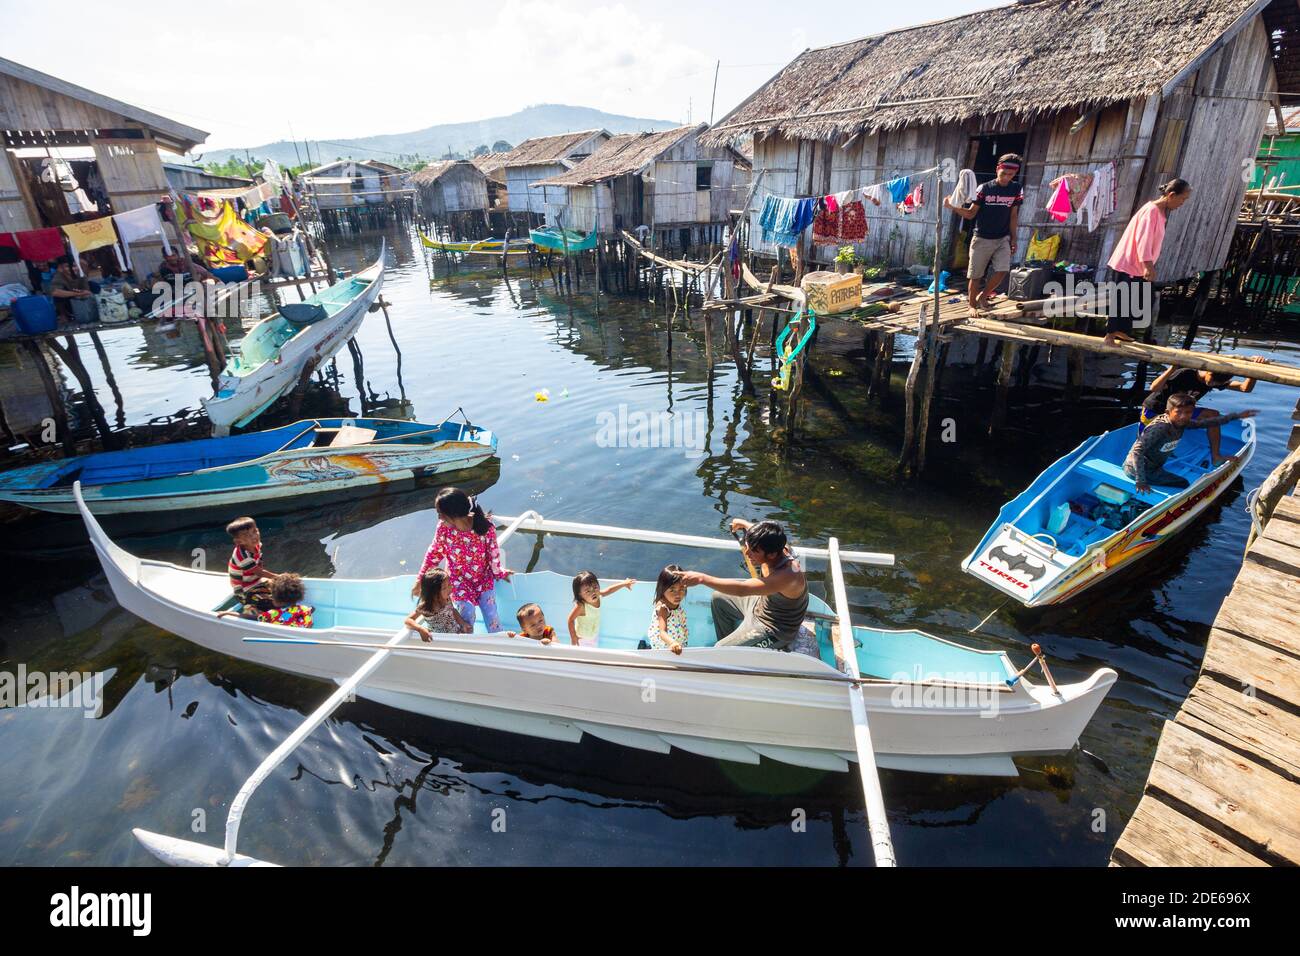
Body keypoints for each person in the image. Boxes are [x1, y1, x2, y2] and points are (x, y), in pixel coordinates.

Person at [680, 519, 808, 649]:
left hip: (774, 628)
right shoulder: (777, 544)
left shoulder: (788, 575)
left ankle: (729, 651)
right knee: (719, 598)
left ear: (772, 554)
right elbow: (763, 535)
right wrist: (744, 524)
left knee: (721, 649)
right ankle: (734, 648)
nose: (747, 553)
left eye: (753, 551)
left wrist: (702, 579)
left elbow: (742, 589)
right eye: (748, 546)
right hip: (760, 604)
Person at [1103, 178, 1191, 347]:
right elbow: (1143, 240)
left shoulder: (1159, 212)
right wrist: (1148, 266)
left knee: (1144, 299)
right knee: (1124, 298)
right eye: (1182, 199)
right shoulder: (1152, 211)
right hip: (1130, 262)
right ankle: (1109, 336)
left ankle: (1121, 330)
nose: (1182, 203)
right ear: (1171, 195)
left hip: (1137, 264)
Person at [1141, 356, 1271, 464]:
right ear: (1208, 371)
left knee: (1212, 415)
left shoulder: (1218, 379)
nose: (1213, 384)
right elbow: (1154, 388)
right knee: (1147, 448)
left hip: (1177, 414)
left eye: (1217, 383)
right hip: (1154, 412)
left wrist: (1254, 371)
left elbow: (1244, 388)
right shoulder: (1185, 373)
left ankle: (1216, 456)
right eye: (1212, 380)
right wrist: (1173, 367)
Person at [416, 488, 512, 633]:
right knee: (467, 616)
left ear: (454, 514)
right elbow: (434, 553)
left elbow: (493, 554)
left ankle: (499, 643)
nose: (439, 518)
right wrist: (420, 580)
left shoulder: (485, 526)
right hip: (458, 580)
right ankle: (467, 643)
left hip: (483, 578)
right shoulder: (444, 529)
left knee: (491, 615)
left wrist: (499, 573)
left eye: (440, 514)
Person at [1123, 393, 1258, 494]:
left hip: (1152, 466)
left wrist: (1236, 416)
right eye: (1178, 412)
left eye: (1188, 413)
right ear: (1167, 412)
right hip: (1137, 470)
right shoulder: (1160, 428)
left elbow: (1206, 423)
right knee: (1184, 483)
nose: (1183, 416)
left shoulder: (1182, 423)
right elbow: (1137, 451)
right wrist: (1141, 481)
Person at [943, 154, 1024, 315]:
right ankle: (971, 305)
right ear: (997, 170)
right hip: (982, 238)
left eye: (1011, 174)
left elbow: (1013, 215)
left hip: (1002, 238)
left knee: (1002, 270)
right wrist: (952, 207)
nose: (1007, 177)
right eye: (1004, 174)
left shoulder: (1016, 189)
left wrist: (1014, 238)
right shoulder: (984, 189)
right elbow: (971, 214)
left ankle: (983, 296)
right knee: (976, 274)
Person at [567, 571, 635, 647]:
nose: (593, 592)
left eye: (595, 587)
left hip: (594, 636)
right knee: (584, 656)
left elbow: (609, 590)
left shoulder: (599, 596)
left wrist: (624, 584)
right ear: (580, 594)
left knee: (593, 655)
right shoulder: (582, 606)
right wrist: (573, 637)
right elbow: (570, 619)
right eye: (588, 591)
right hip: (582, 638)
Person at [405, 567, 471, 641]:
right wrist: (420, 629)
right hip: (440, 639)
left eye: (449, 584)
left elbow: (452, 610)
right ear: (433, 593)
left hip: (455, 634)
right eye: (444, 588)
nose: (450, 588)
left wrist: (462, 623)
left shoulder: (446, 598)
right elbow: (408, 620)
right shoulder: (426, 607)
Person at [226, 516, 278, 610]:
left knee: (280, 589)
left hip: (255, 580)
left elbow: (259, 563)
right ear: (238, 541)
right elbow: (258, 572)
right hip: (244, 588)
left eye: (255, 531)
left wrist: (264, 578)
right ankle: (246, 603)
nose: (254, 536)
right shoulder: (241, 556)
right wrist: (277, 577)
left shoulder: (255, 544)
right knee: (266, 604)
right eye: (246, 535)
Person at [647, 565, 689, 655]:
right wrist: (672, 643)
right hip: (665, 648)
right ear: (663, 590)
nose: (678, 594)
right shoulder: (663, 608)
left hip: (678, 644)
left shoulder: (674, 602)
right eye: (672, 590)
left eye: (681, 589)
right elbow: (662, 632)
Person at [48, 256, 93, 321]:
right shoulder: (58, 275)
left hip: (80, 300)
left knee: (94, 285)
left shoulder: (81, 274)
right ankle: (63, 315)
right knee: (58, 297)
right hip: (68, 302)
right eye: (68, 266)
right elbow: (54, 292)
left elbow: (87, 291)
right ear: (60, 268)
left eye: (74, 266)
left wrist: (82, 293)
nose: (72, 269)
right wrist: (76, 294)